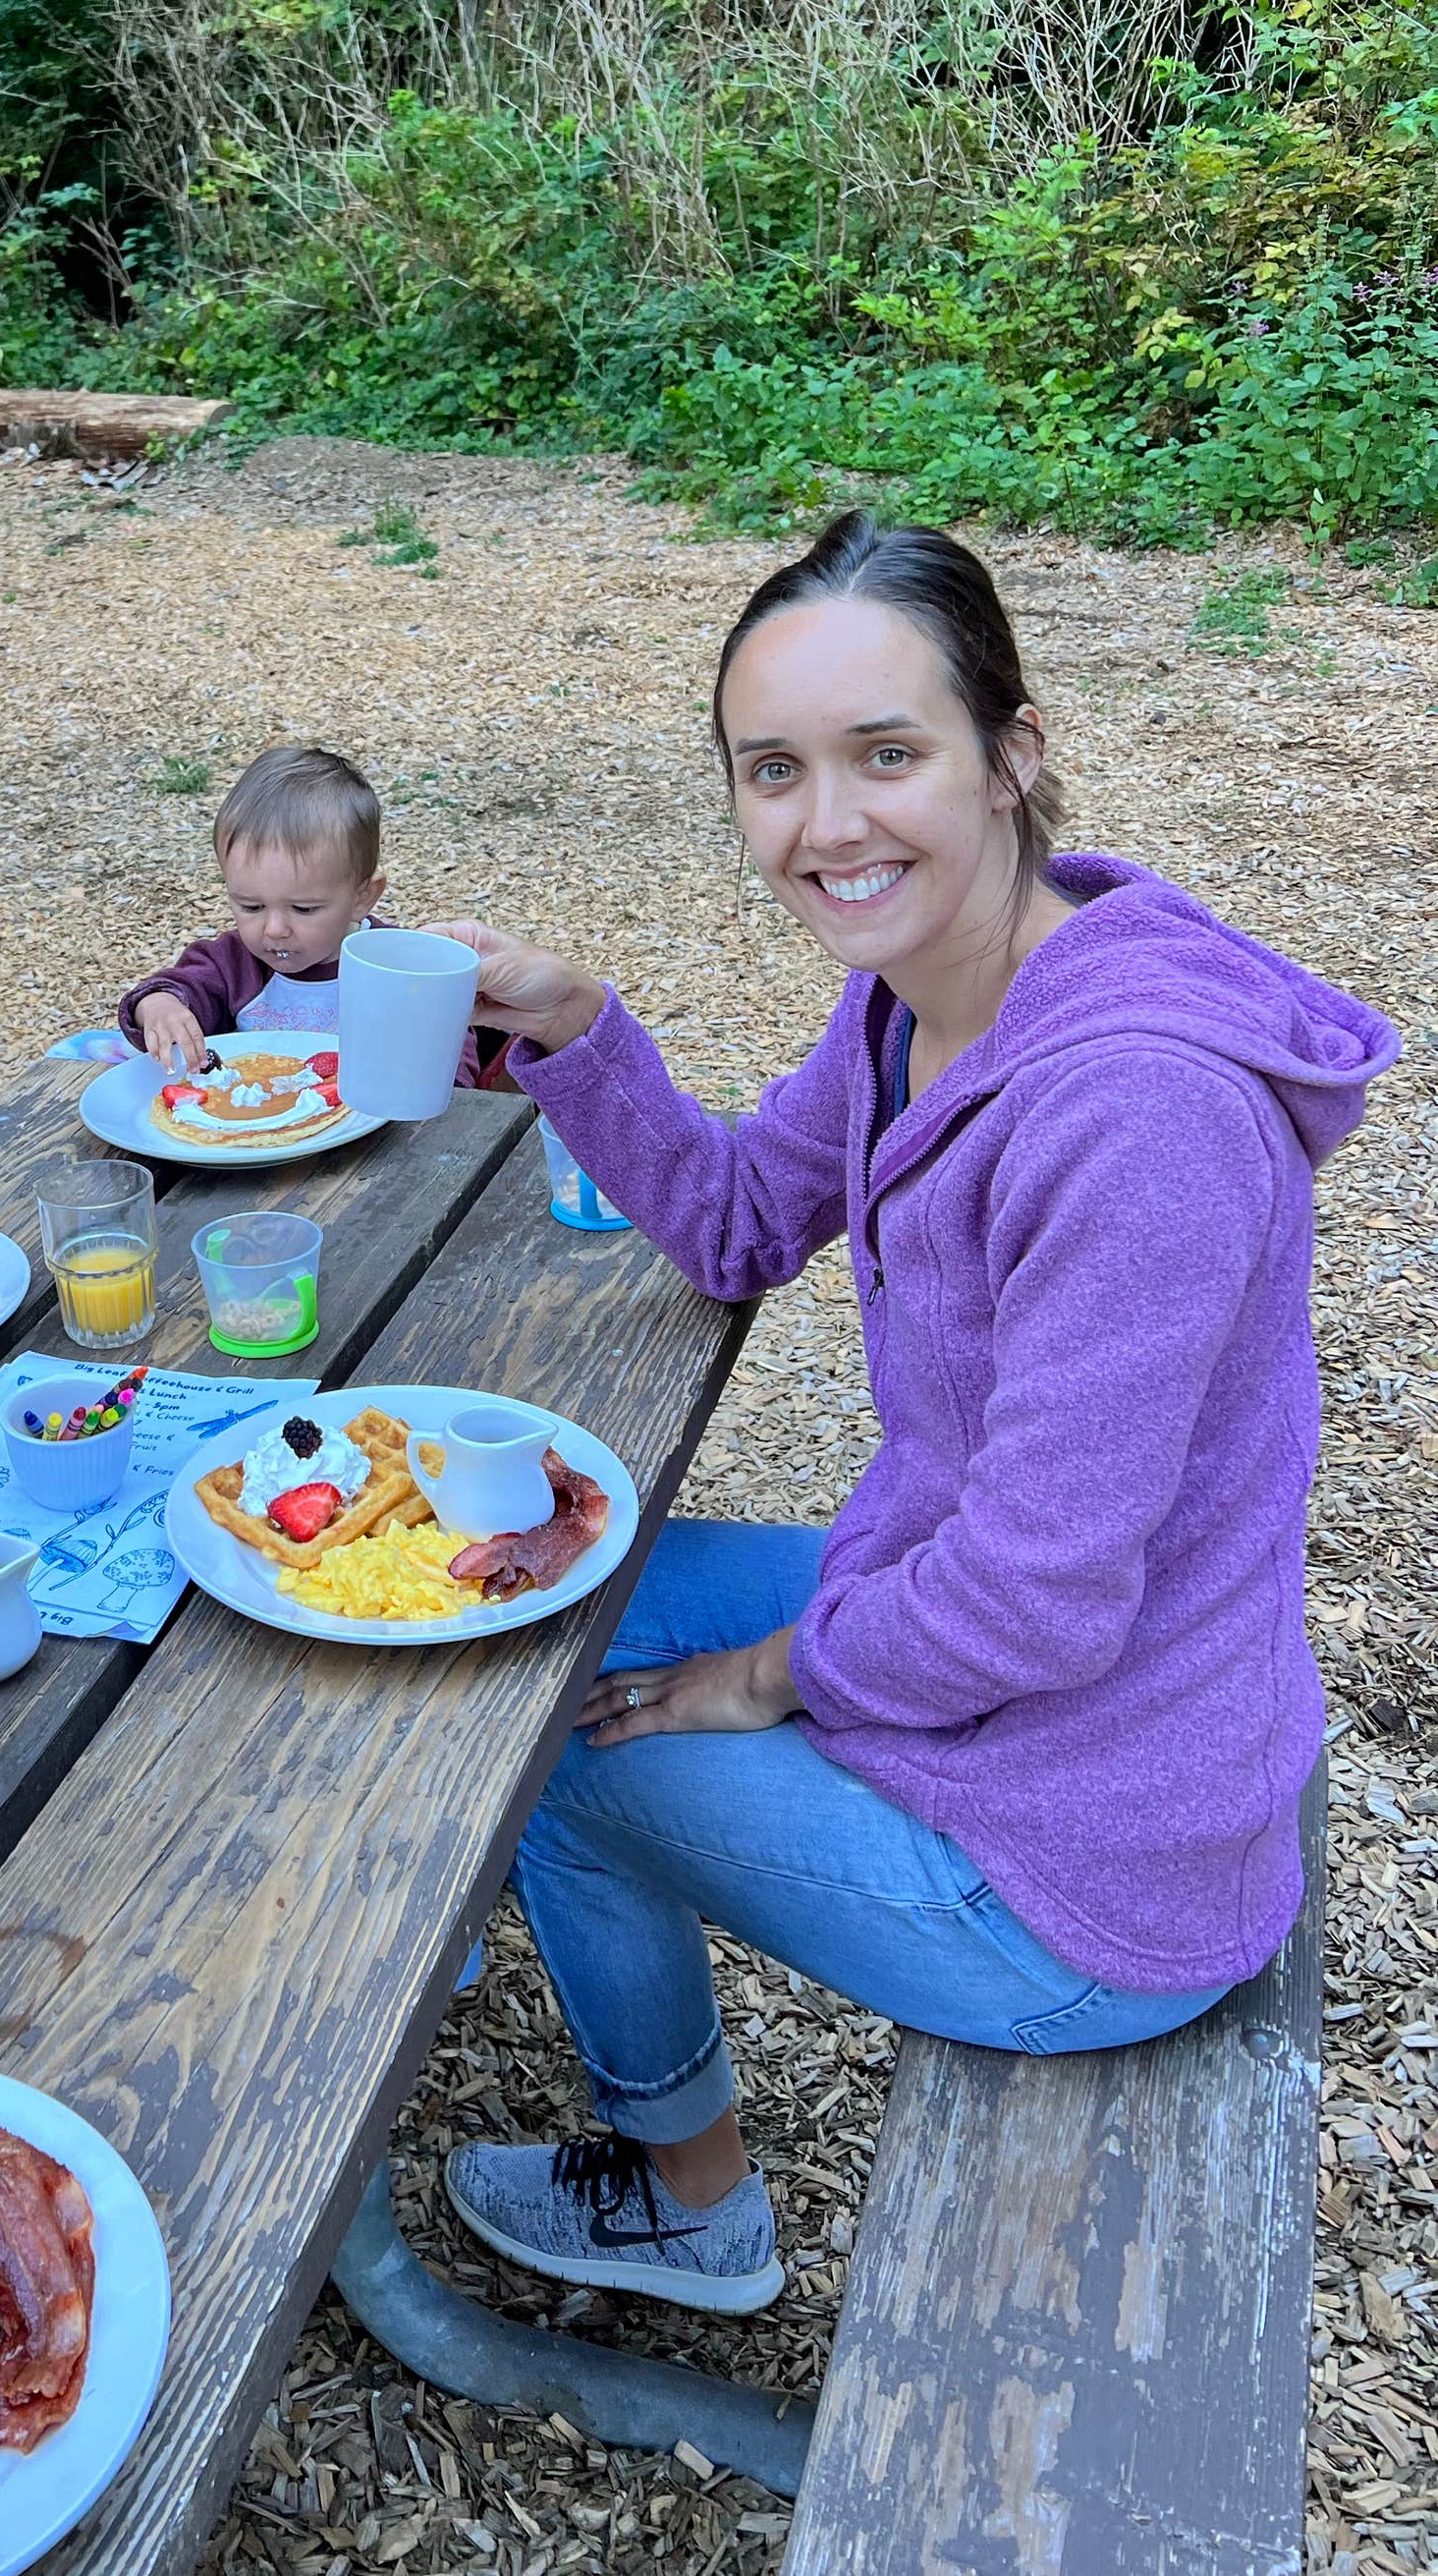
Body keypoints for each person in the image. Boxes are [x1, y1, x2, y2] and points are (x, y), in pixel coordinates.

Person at [430, 511, 1396, 2315]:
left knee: (543, 1730)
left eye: (889, 755)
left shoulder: (1133, 1113)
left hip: (1099, 1860)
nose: (828, 823)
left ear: (1012, 755)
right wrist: (581, 1032)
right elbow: (731, 1223)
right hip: (1060, 1690)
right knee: (540, 1600)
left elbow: (1037, 1598)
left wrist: (762, 1676)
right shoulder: (913, 1004)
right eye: (772, 772)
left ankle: (679, 2192)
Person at [118, 744, 481, 1083]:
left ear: (363, 897)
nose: (274, 929)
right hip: (247, 1132)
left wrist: (436, 1088)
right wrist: (158, 1006)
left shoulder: (396, 967)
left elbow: (449, 1049)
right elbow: (175, 990)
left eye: (304, 908)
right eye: (251, 906)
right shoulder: (231, 965)